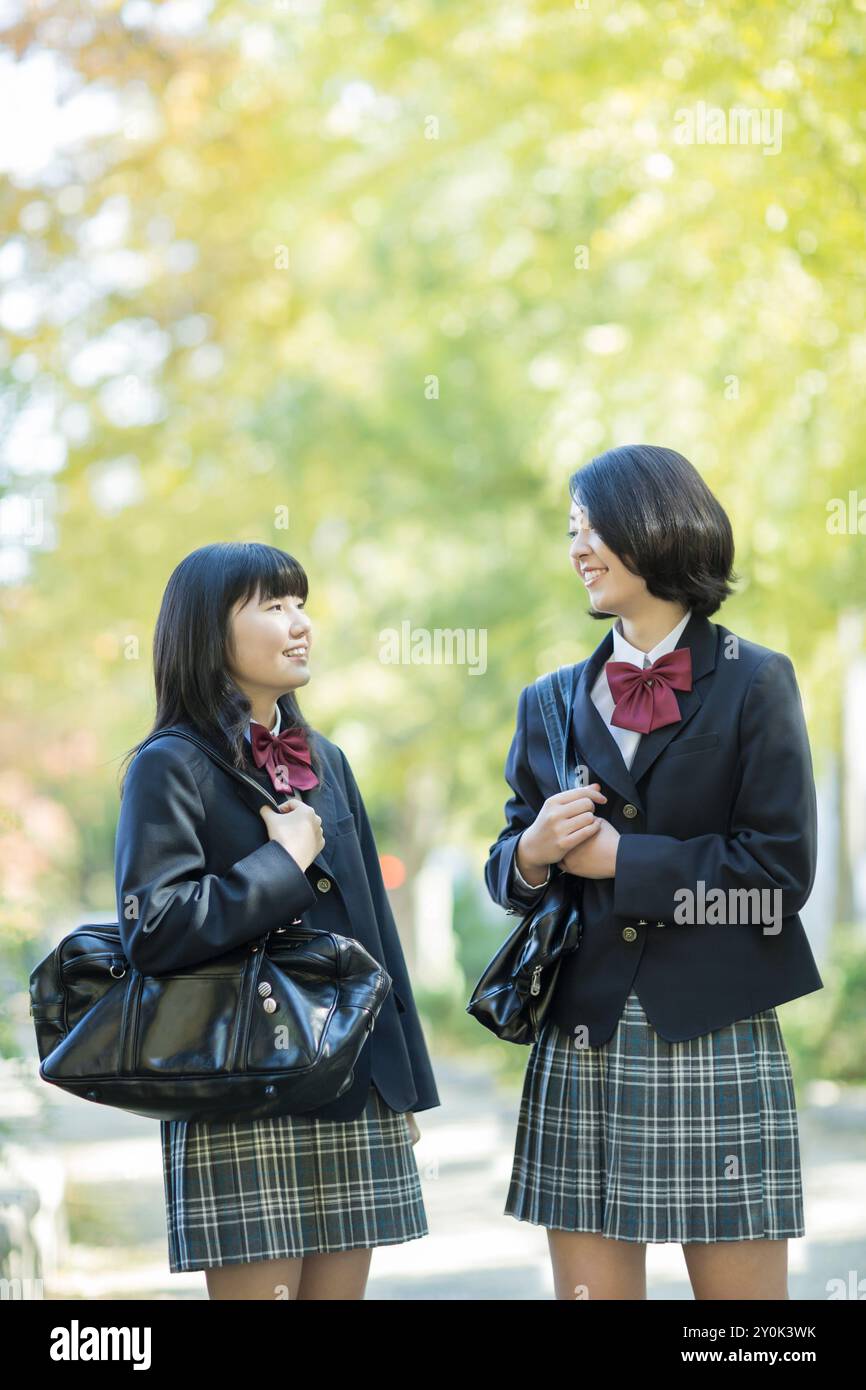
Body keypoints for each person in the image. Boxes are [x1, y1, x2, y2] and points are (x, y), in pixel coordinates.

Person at [484, 444, 823, 1301]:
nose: (578, 549)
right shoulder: (550, 701)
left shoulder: (758, 681)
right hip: (583, 1032)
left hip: (714, 1025)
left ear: (659, 525)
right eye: (571, 530)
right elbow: (508, 865)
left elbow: (777, 876)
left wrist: (621, 860)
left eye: (593, 527)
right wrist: (534, 853)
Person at [115, 540, 439, 1299]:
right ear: (208, 630)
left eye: (301, 603)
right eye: (272, 605)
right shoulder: (170, 764)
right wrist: (279, 864)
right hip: (240, 1088)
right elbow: (154, 930)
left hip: (350, 1084)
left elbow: (372, 931)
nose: (300, 624)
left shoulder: (324, 757)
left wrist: (403, 1085)